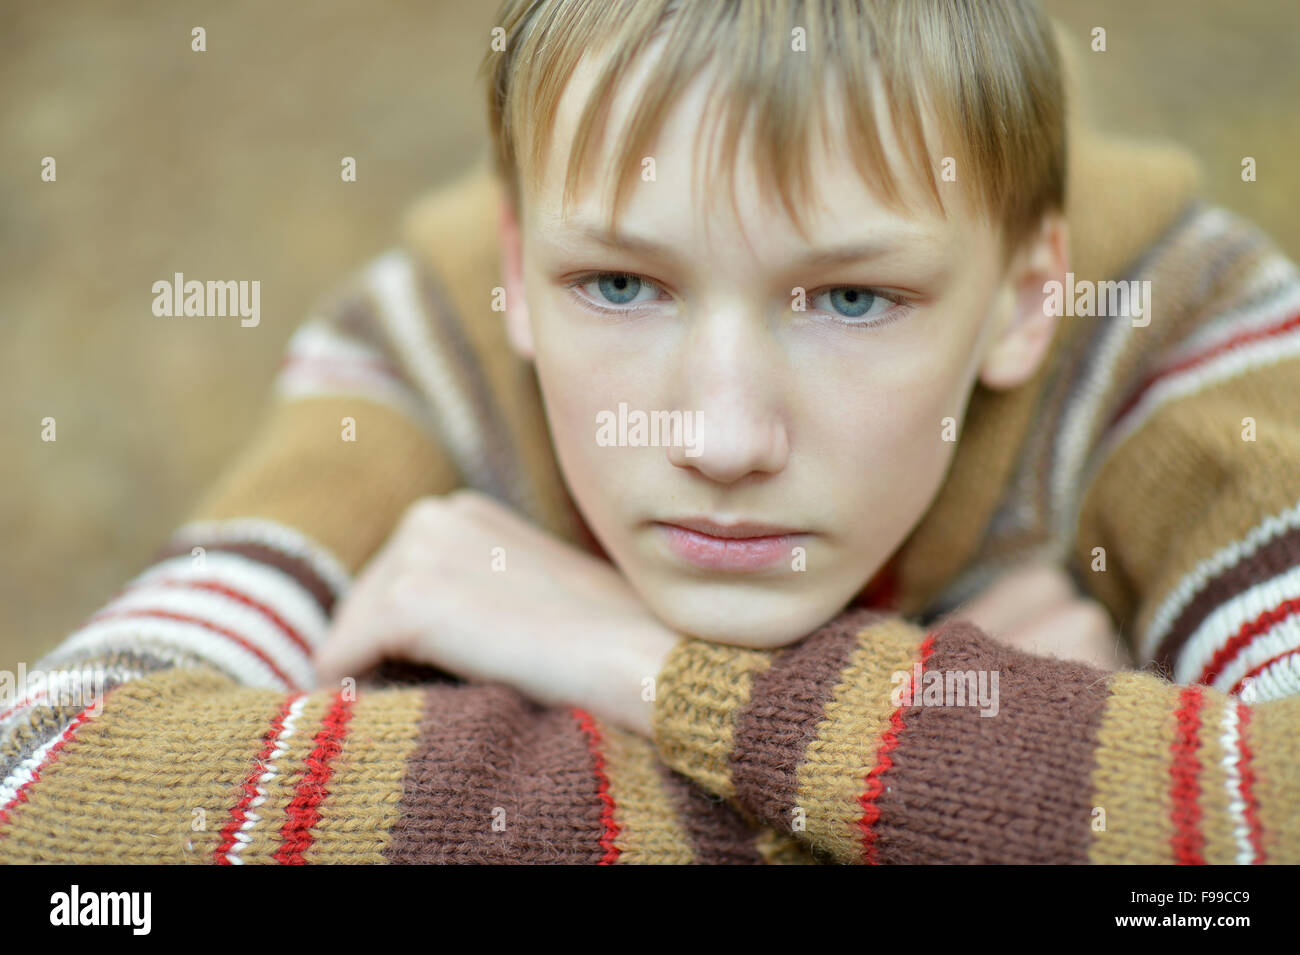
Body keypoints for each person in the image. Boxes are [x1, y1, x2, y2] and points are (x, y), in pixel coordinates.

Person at [3, 0, 1296, 864]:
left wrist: (642, 668)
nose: (722, 438)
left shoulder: (1162, 325)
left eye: (853, 298)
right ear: (517, 270)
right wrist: (996, 766)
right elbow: (42, 793)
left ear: (1025, 297)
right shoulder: (432, 346)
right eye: (618, 287)